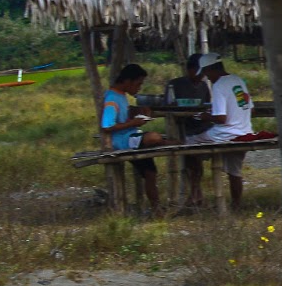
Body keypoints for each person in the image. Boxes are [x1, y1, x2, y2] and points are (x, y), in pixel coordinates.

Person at [100, 63, 177, 212]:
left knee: (151, 174)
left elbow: (123, 114)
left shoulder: (121, 95)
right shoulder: (111, 98)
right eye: (138, 83)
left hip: (132, 137)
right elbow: (107, 125)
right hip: (122, 141)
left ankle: (156, 209)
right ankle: (164, 142)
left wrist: (137, 111)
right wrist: (133, 122)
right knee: (153, 137)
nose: (139, 87)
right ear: (128, 81)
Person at [189, 53, 255, 211]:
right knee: (235, 171)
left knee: (188, 143)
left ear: (211, 69)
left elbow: (221, 118)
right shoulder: (238, 80)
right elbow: (249, 107)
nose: (207, 78)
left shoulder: (218, 85)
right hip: (245, 132)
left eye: (206, 74)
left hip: (224, 134)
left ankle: (195, 192)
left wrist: (206, 116)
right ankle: (236, 205)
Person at [163, 53, 213, 208]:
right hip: (183, 128)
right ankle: (195, 194)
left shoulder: (204, 86)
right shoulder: (175, 85)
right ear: (189, 70)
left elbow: (208, 105)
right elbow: (168, 105)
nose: (200, 76)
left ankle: (195, 194)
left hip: (201, 127)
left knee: (196, 161)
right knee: (192, 161)